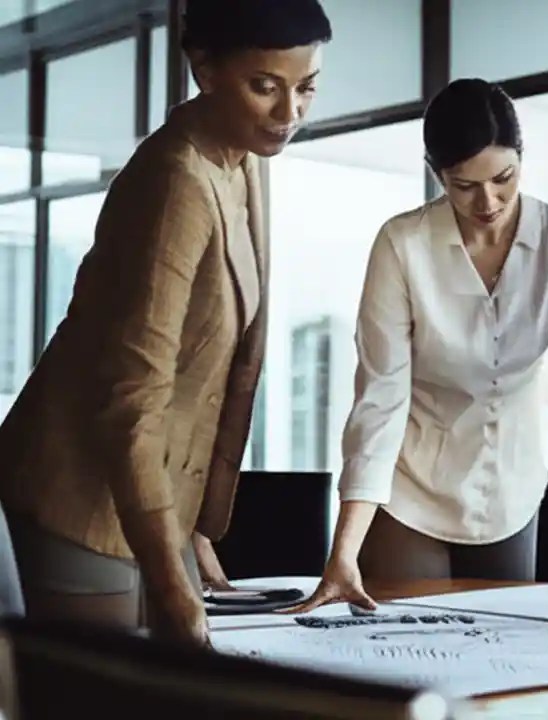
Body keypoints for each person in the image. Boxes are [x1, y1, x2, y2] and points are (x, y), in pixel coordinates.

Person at [0, 0, 331, 645]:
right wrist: (172, 583)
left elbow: (223, 368)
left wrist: (194, 527)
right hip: (81, 495)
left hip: (153, 494)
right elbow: (132, 397)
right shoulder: (175, 180)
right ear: (203, 68)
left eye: (306, 88)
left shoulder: (245, 157)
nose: (289, 114)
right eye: (264, 87)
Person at [287, 79, 548, 615]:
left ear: (522, 157)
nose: (487, 201)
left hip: (512, 493)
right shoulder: (402, 243)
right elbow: (381, 396)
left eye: (503, 178)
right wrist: (343, 552)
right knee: (400, 653)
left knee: (499, 657)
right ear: (437, 174)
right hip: (410, 489)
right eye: (463, 185)